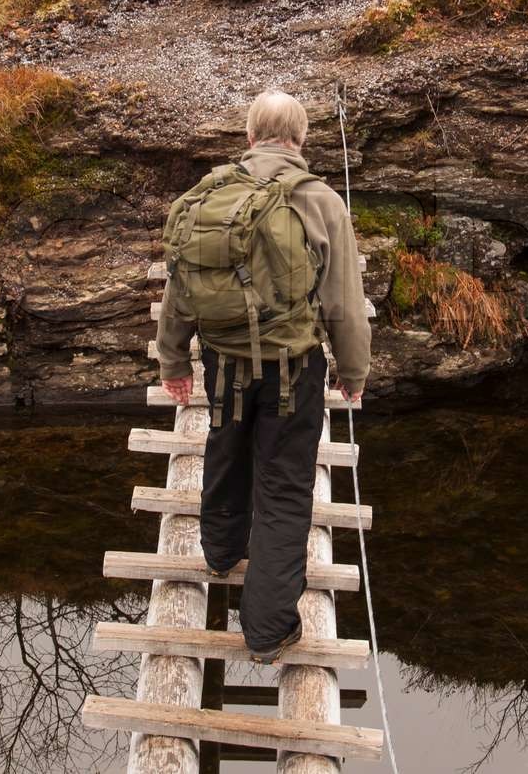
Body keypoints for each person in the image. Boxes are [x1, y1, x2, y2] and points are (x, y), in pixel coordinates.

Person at [155, 89, 371, 663]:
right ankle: (268, 628)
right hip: (292, 371)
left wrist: (173, 360)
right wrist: (353, 371)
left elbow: (179, 286)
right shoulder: (320, 200)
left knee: (226, 449)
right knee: (282, 489)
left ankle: (221, 553)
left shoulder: (206, 195)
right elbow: (343, 301)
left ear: (250, 137)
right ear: (299, 140)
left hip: (222, 363)